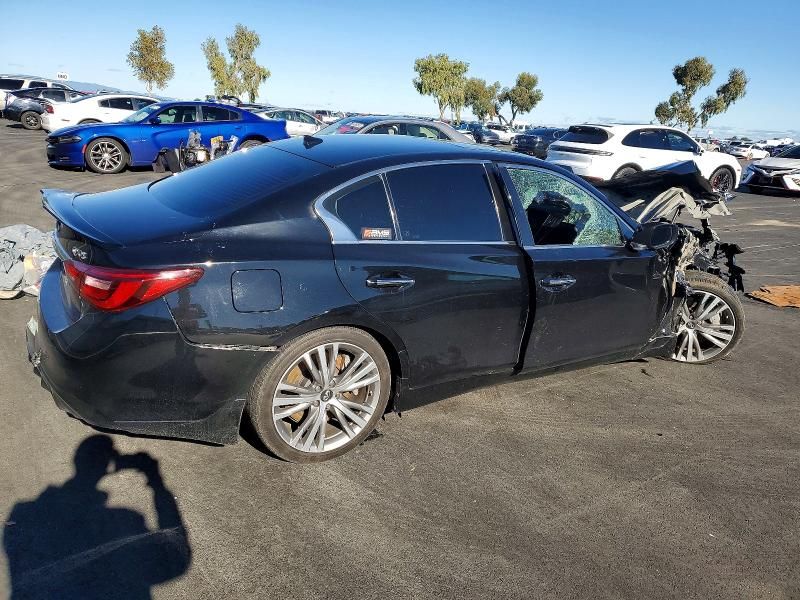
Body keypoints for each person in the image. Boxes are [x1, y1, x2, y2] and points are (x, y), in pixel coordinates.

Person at [4, 435, 191, 599]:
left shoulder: (23, 514)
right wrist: (156, 481)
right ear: (108, 465)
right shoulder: (123, 522)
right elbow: (174, 559)